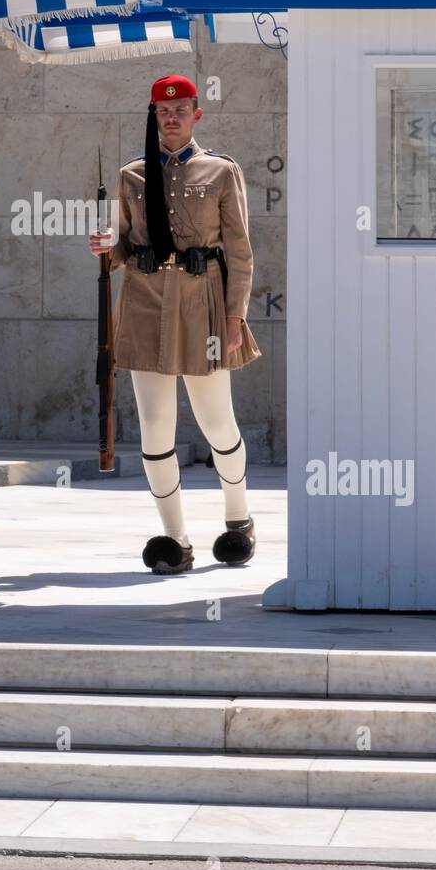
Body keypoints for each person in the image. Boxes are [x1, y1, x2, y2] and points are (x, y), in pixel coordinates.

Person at [89, 73, 262, 574]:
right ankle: (175, 537)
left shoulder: (221, 172)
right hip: (144, 304)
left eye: (180, 109)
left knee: (216, 422)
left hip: (200, 304)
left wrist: (235, 316)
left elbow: (240, 252)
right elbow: (122, 248)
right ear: (153, 116)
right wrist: (106, 248)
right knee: (155, 427)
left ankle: (238, 519)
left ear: (195, 115)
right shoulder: (131, 176)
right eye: (163, 111)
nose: (171, 117)